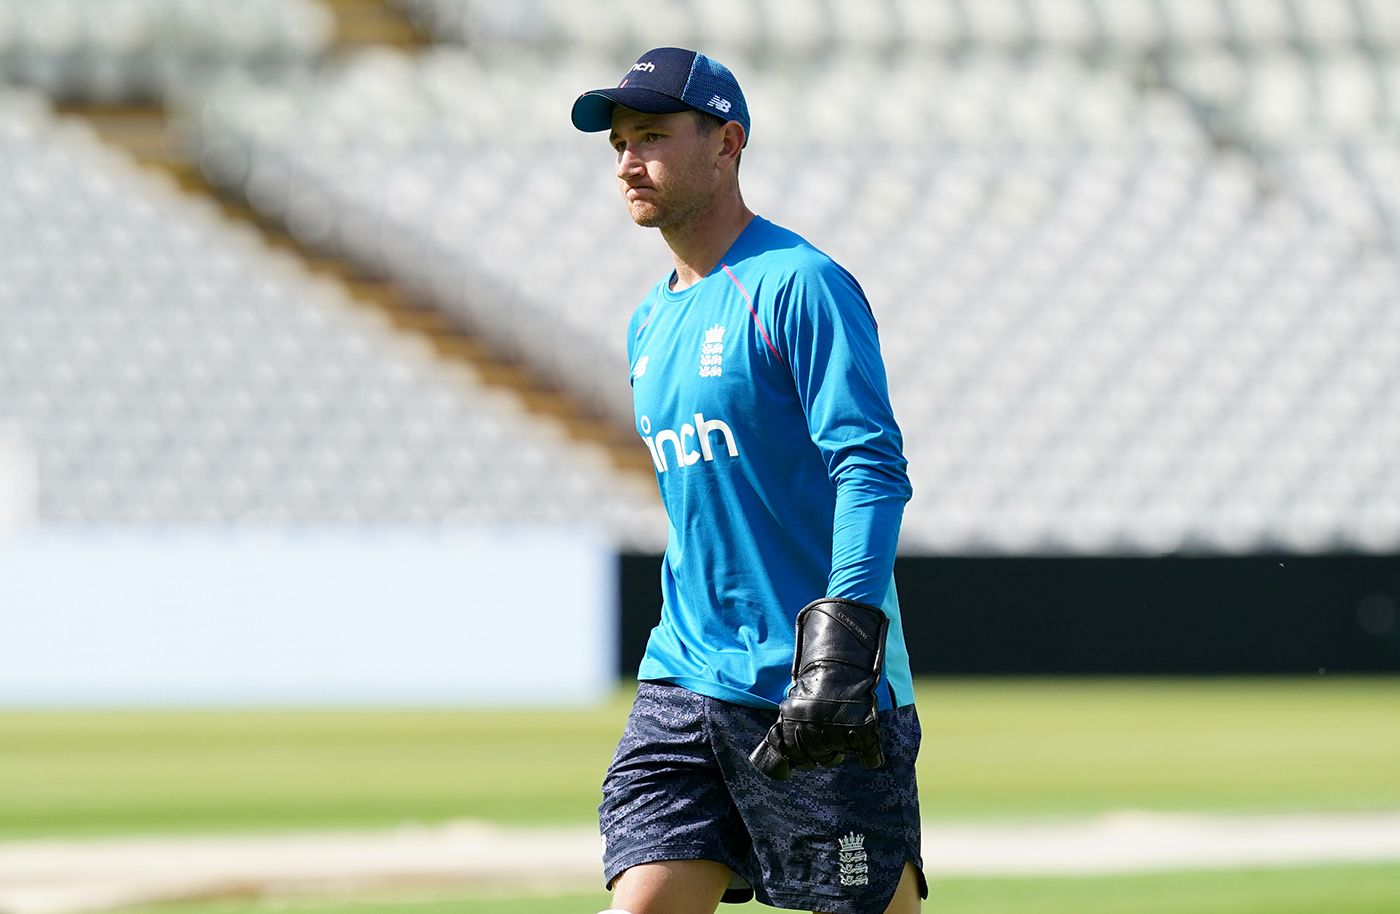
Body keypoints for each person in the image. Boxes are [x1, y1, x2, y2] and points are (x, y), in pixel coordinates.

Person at [571, 47, 923, 914]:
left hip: (813, 683)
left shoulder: (800, 284)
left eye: (651, 135)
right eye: (618, 142)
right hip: (683, 675)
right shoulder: (649, 322)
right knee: (644, 900)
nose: (626, 160)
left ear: (727, 142)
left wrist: (845, 639)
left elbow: (870, 464)